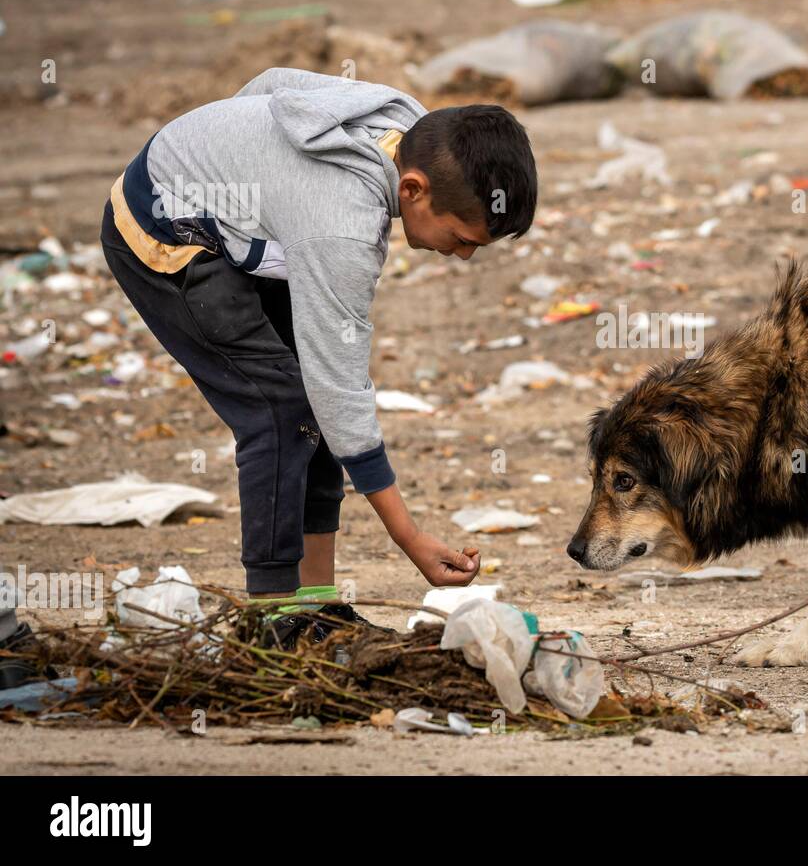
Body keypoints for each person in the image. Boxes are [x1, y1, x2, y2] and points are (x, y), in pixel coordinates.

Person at [99, 68, 538, 644]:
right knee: (282, 408)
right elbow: (339, 388)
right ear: (412, 190)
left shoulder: (403, 120)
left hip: (243, 222)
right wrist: (409, 537)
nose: (462, 257)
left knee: (313, 396)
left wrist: (249, 172)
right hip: (160, 229)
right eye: (462, 239)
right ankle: (275, 620)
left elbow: (271, 84)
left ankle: (317, 605)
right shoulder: (342, 228)